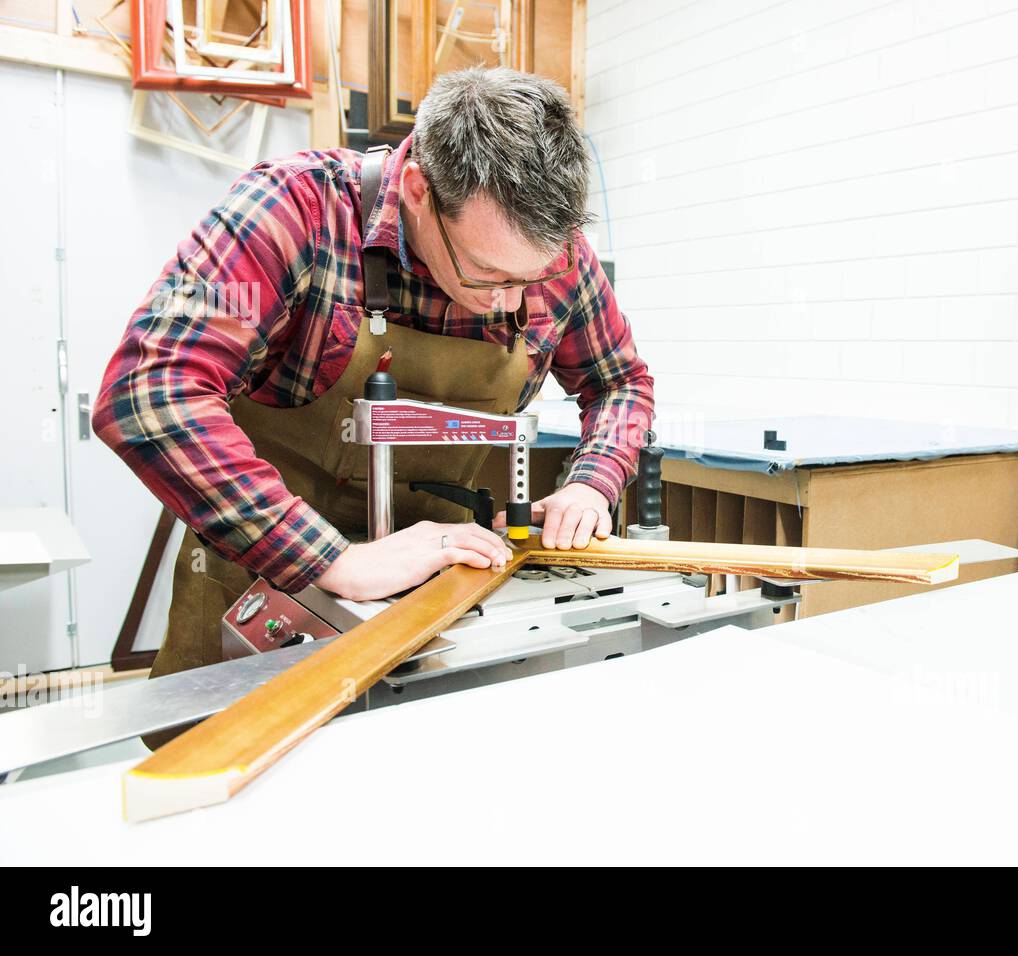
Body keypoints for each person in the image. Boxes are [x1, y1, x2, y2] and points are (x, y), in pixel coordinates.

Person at [93, 67, 655, 684]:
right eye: (488, 275)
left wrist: (592, 485)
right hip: (266, 576)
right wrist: (334, 561)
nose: (508, 301)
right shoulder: (295, 208)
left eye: (532, 279)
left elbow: (619, 383)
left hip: (436, 581)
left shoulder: (554, 257)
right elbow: (150, 391)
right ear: (418, 189)